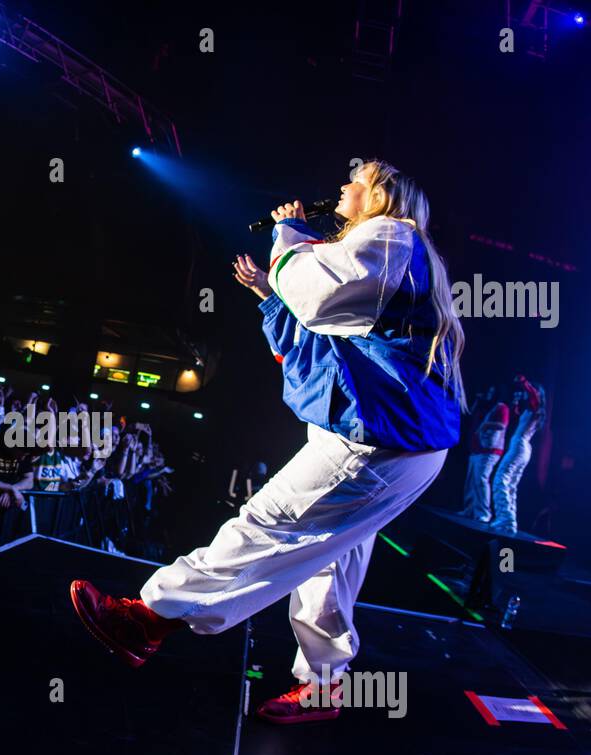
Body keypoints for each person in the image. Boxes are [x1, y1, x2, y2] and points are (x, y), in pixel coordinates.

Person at [69, 159, 466, 724]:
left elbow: (315, 294)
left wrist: (288, 239)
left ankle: (147, 619)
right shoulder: (402, 253)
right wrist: (270, 288)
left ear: (379, 194)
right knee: (330, 558)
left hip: (376, 442)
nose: (342, 189)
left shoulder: (390, 233)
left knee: (268, 524)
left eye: (352, 183)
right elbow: (314, 329)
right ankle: (325, 684)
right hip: (406, 447)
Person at [489, 375, 546, 535]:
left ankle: (505, 519)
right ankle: (509, 521)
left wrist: (525, 383)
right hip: (524, 447)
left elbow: (534, 395)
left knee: (501, 479)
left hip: (520, 445)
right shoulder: (533, 410)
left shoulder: (536, 406)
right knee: (511, 485)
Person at [458, 387, 509, 523]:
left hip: (490, 451)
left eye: (492, 392)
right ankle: (469, 510)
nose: (488, 394)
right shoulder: (488, 408)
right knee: (471, 481)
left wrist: (485, 425)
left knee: (481, 480)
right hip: (477, 449)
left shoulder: (502, 407)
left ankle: (484, 512)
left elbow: (502, 425)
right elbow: (469, 413)